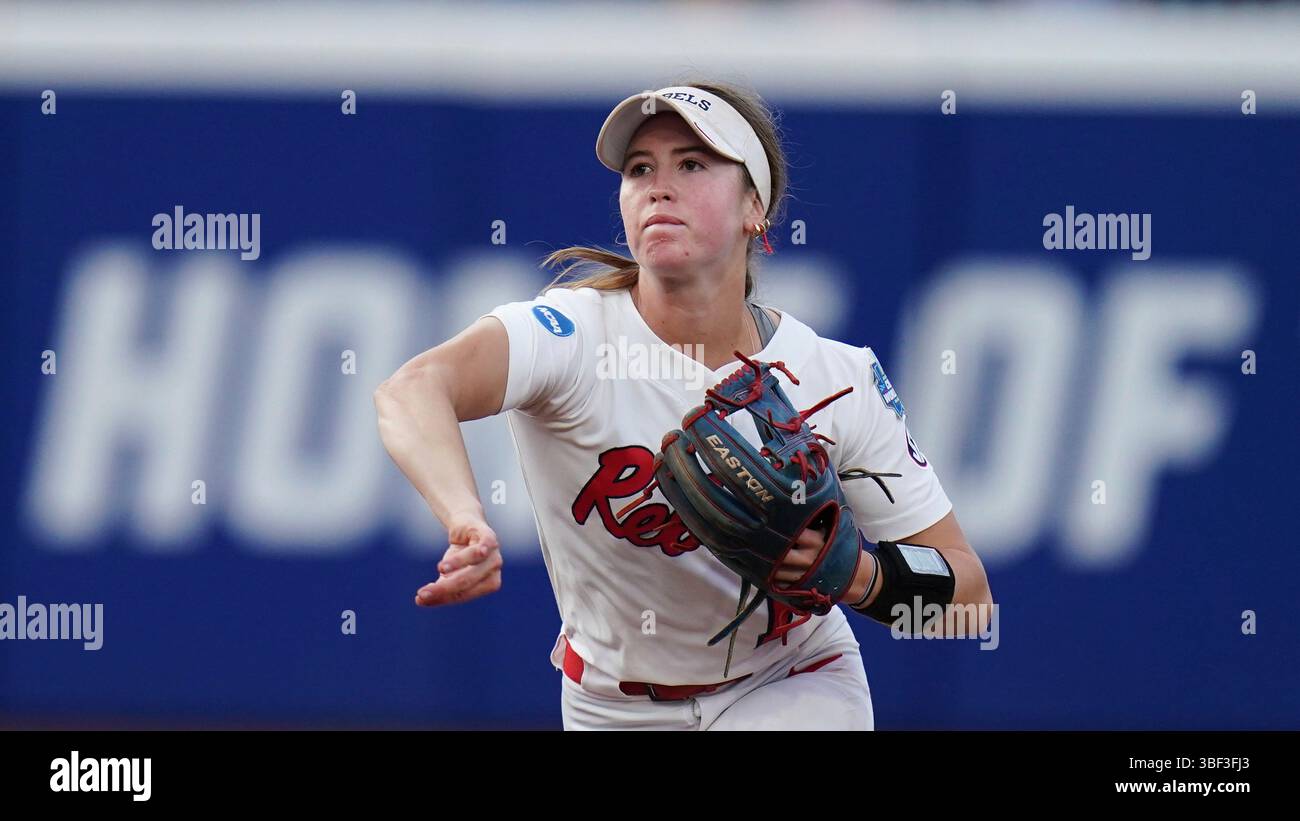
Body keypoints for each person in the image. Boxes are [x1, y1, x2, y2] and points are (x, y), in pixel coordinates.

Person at [374, 80, 993, 730]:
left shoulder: (836, 379)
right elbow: (413, 388)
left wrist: (864, 576)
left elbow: (971, 602)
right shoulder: (570, 338)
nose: (657, 186)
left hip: (790, 680)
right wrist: (465, 516)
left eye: (692, 164)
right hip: (609, 705)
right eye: (640, 168)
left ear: (755, 206)